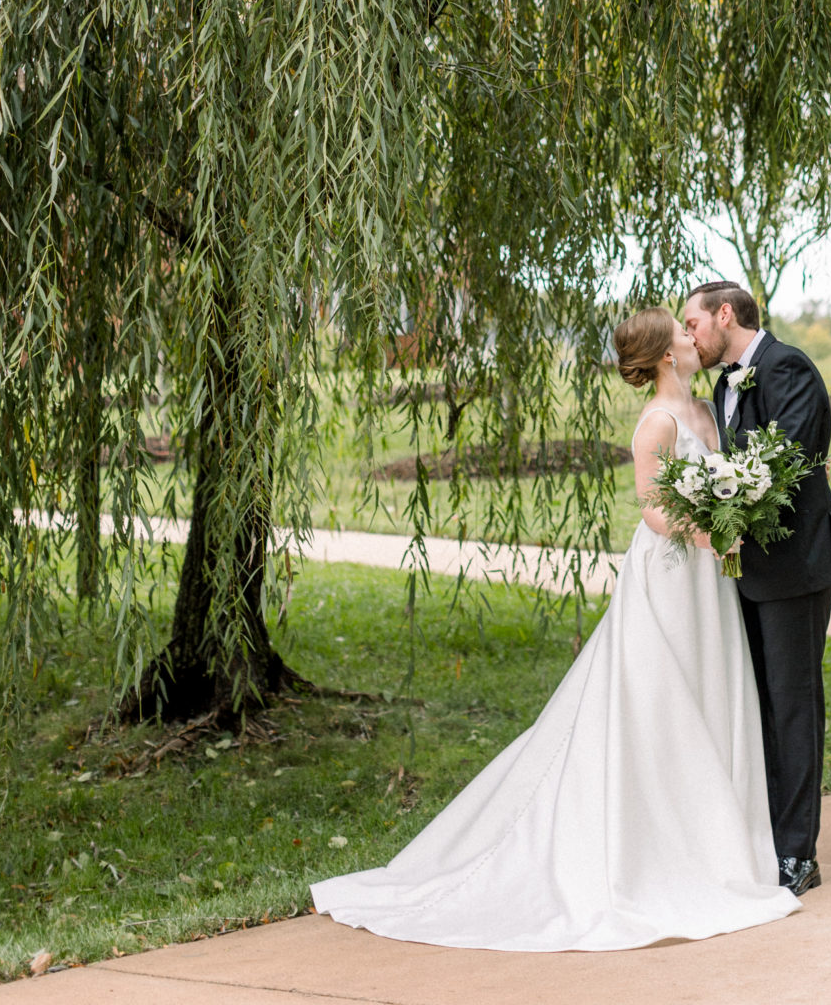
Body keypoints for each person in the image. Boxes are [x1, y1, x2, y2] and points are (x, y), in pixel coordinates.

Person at [311, 304, 800, 951]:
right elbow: (654, 508)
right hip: (675, 571)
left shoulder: (708, 410)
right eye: (684, 332)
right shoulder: (657, 421)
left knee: (712, 689)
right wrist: (713, 534)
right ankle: (656, 843)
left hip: (710, 580)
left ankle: (720, 838)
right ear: (664, 354)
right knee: (659, 697)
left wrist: (739, 515)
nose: (694, 337)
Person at [683, 279, 831, 897]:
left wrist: (722, 507)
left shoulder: (787, 367)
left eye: (693, 324)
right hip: (746, 573)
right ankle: (765, 841)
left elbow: (787, 463)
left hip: (794, 567)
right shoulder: (723, 384)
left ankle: (798, 855)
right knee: (758, 710)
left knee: (793, 707)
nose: (690, 337)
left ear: (725, 315)